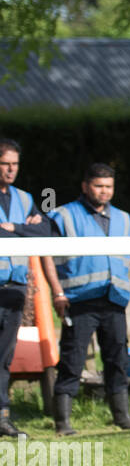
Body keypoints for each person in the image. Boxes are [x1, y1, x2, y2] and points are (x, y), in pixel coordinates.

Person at [41, 164, 130, 435]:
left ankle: (122, 417)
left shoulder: (124, 218)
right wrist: (57, 292)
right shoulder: (62, 215)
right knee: (72, 360)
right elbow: (46, 255)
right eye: (98, 186)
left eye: (108, 186)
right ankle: (63, 422)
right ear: (85, 186)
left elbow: (128, 254)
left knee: (117, 359)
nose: (104, 191)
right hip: (79, 299)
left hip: (113, 298)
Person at [0, 138, 48, 437]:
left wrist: (15, 228)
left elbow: (43, 230)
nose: (10, 170)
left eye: (14, 164)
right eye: (5, 163)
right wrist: (24, 229)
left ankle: (2, 416)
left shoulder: (24, 198)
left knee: (4, 358)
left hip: (15, 288)